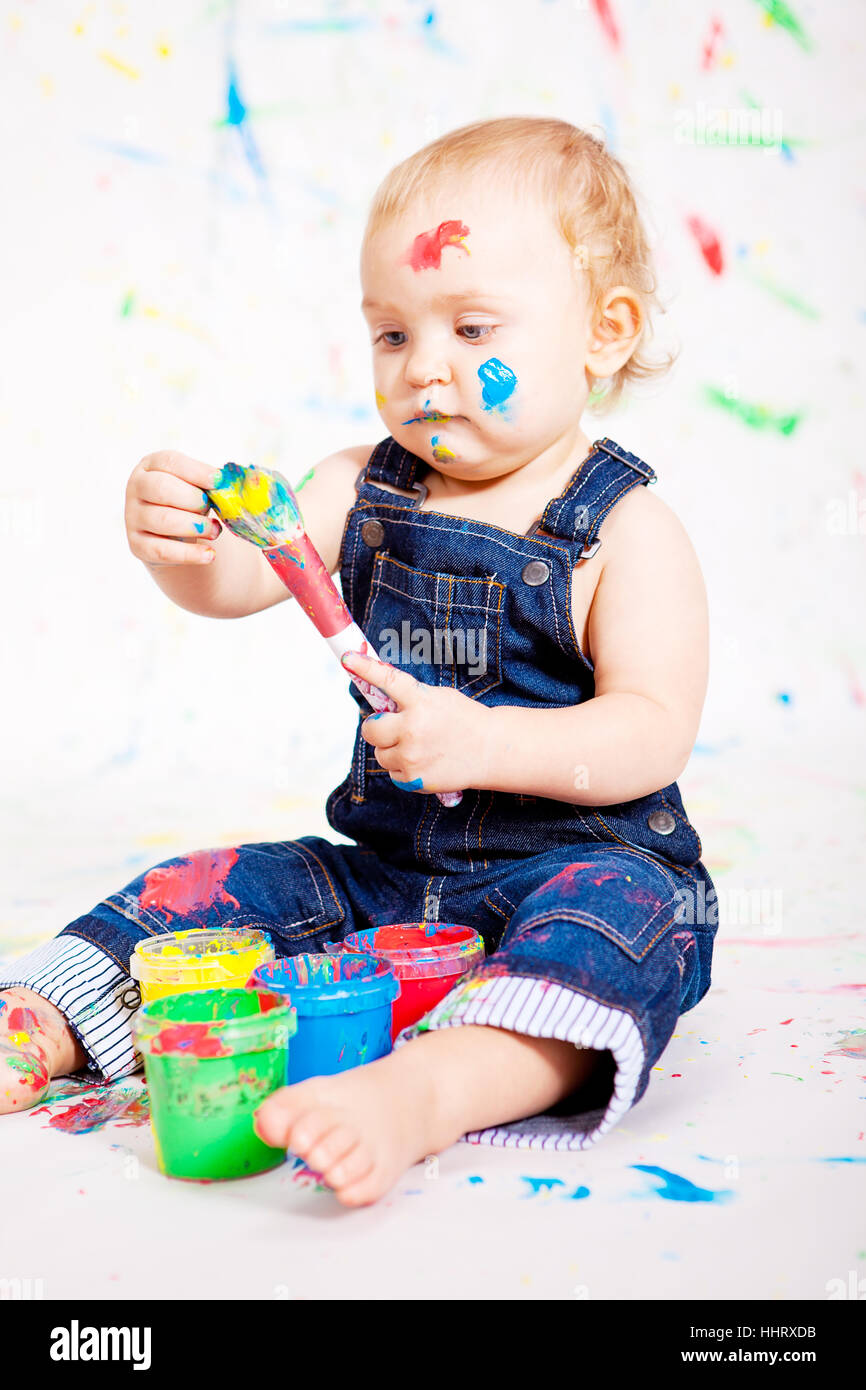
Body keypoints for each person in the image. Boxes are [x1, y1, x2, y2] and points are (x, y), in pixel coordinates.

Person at [0, 116, 716, 1207]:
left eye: (472, 328)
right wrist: (179, 552)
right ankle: (45, 1015)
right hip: (388, 877)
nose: (425, 368)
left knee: (619, 933)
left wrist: (481, 740)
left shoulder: (623, 530)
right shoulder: (357, 486)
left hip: (576, 864)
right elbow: (246, 582)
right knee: (220, 887)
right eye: (391, 335)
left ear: (602, 333)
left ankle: (419, 1093)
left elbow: (649, 728)